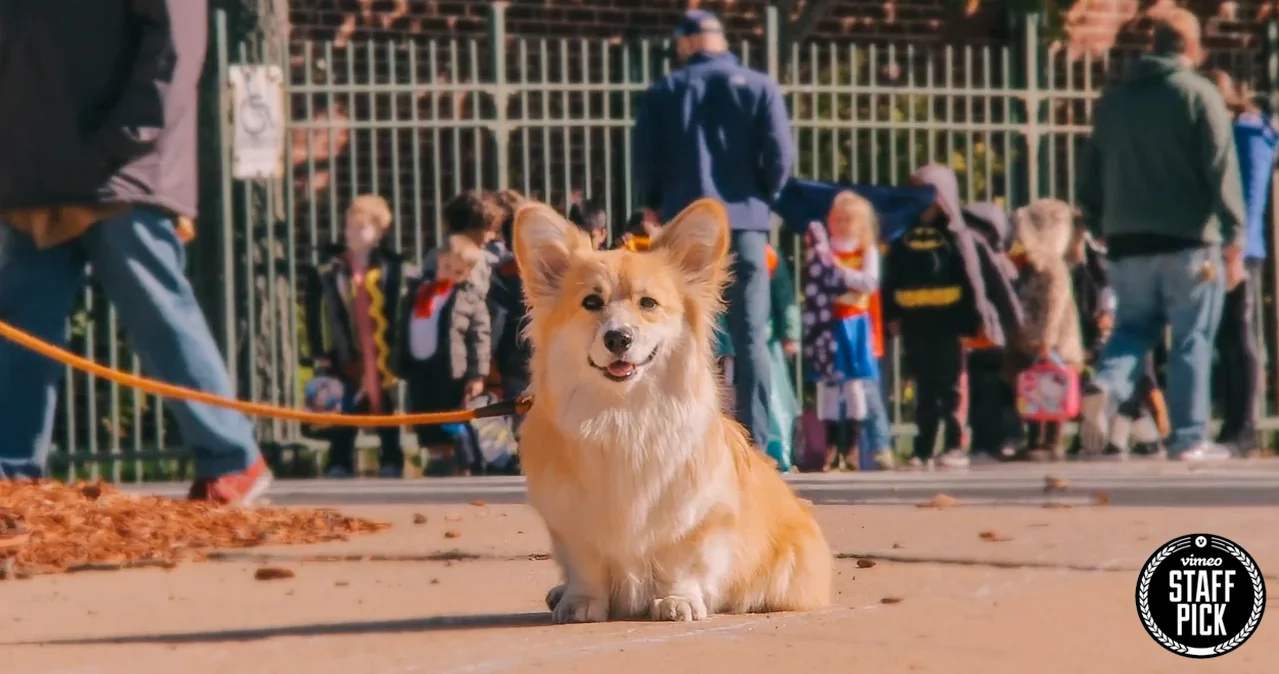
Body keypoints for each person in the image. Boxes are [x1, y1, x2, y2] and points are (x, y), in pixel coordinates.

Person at [0, 1, 271, 503]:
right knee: (22, 328)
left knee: (157, 311)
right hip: (35, 169)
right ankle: (12, 473)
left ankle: (233, 456)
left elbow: (176, 42)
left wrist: (125, 137)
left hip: (121, 169)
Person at [1075, 9, 1246, 461]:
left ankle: (1107, 383)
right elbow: (1220, 169)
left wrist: (1095, 221)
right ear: (1191, 47)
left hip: (1126, 239)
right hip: (1189, 239)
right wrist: (1235, 234)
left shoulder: (1116, 100)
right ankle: (1189, 437)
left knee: (1131, 328)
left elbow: (1088, 167)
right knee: (1192, 339)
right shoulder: (1198, 94)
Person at [632, 8, 796, 452]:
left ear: (686, 43)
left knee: (679, 334)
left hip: (684, 230)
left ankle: (684, 440)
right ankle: (756, 446)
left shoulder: (666, 91)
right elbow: (780, 156)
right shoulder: (760, 87)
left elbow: (646, 158)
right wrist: (758, 196)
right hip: (744, 225)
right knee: (751, 337)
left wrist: (650, 203)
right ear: (721, 40)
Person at [881, 165, 1014, 470]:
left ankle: (954, 444)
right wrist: (892, 314)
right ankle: (923, 448)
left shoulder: (957, 236)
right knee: (924, 387)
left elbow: (974, 281)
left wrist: (980, 319)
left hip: (950, 324)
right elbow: (892, 279)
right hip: (917, 323)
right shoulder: (903, 236)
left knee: (952, 384)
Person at [303, 195, 410, 478]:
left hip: (380, 349)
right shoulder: (331, 268)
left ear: (379, 231)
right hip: (345, 349)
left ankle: (391, 459)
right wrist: (320, 350)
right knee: (343, 405)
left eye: (361, 228)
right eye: (349, 227)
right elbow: (315, 314)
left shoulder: (391, 267)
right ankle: (339, 460)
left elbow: (399, 310)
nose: (352, 233)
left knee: (386, 405)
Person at [1209, 70, 1277, 455]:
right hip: (1232, 244)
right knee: (1228, 337)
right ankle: (1233, 425)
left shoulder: (1248, 135)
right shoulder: (1244, 134)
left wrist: (1234, 244)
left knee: (1239, 335)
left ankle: (1244, 427)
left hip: (1240, 249)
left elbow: (1249, 199)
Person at [801, 191, 894, 471]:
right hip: (827, 324)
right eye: (836, 218)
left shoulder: (866, 251)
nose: (840, 225)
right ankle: (830, 448)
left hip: (854, 324)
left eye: (848, 220)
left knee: (855, 386)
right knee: (828, 387)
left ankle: (851, 448)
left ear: (862, 225)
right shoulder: (823, 249)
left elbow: (869, 282)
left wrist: (840, 271)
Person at [400, 234, 491, 477]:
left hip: (451, 368)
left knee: (450, 415)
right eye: (447, 266)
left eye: (458, 271)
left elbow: (480, 336)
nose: (450, 273)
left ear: (468, 273)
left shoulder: (469, 298)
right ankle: (435, 458)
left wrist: (477, 374)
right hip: (420, 366)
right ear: (439, 260)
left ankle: (460, 461)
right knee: (423, 413)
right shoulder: (421, 291)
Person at [1005, 199, 1084, 462]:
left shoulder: (1052, 267)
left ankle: (1052, 442)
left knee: (1053, 391)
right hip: (1033, 339)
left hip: (1055, 342)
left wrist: (1047, 342)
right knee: (1034, 392)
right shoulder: (1035, 264)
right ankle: (1035, 439)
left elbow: (1055, 304)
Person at [962, 203, 1024, 463]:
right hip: (978, 338)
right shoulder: (979, 257)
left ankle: (995, 441)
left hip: (995, 339)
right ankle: (984, 441)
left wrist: (1015, 328)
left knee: (993, 393)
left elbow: (1007, 299)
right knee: (981, 393)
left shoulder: (999, 263)